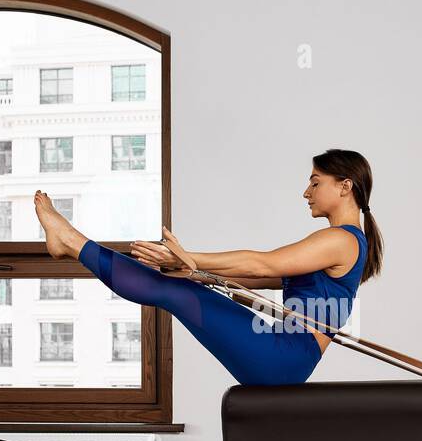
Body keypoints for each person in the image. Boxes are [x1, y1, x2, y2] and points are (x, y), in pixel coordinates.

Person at [33, 148, 384, 385]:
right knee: (177, 284)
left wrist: (189, 258)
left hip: (284, 357)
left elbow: (261, 264)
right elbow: (258, 278)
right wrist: (190, 270)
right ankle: (71, 242)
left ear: (345, 186)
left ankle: (70, 242)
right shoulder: (344, 242)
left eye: (315, 182)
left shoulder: (344, 239)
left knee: (175, 291)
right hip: (283, 353)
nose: (306, 191)